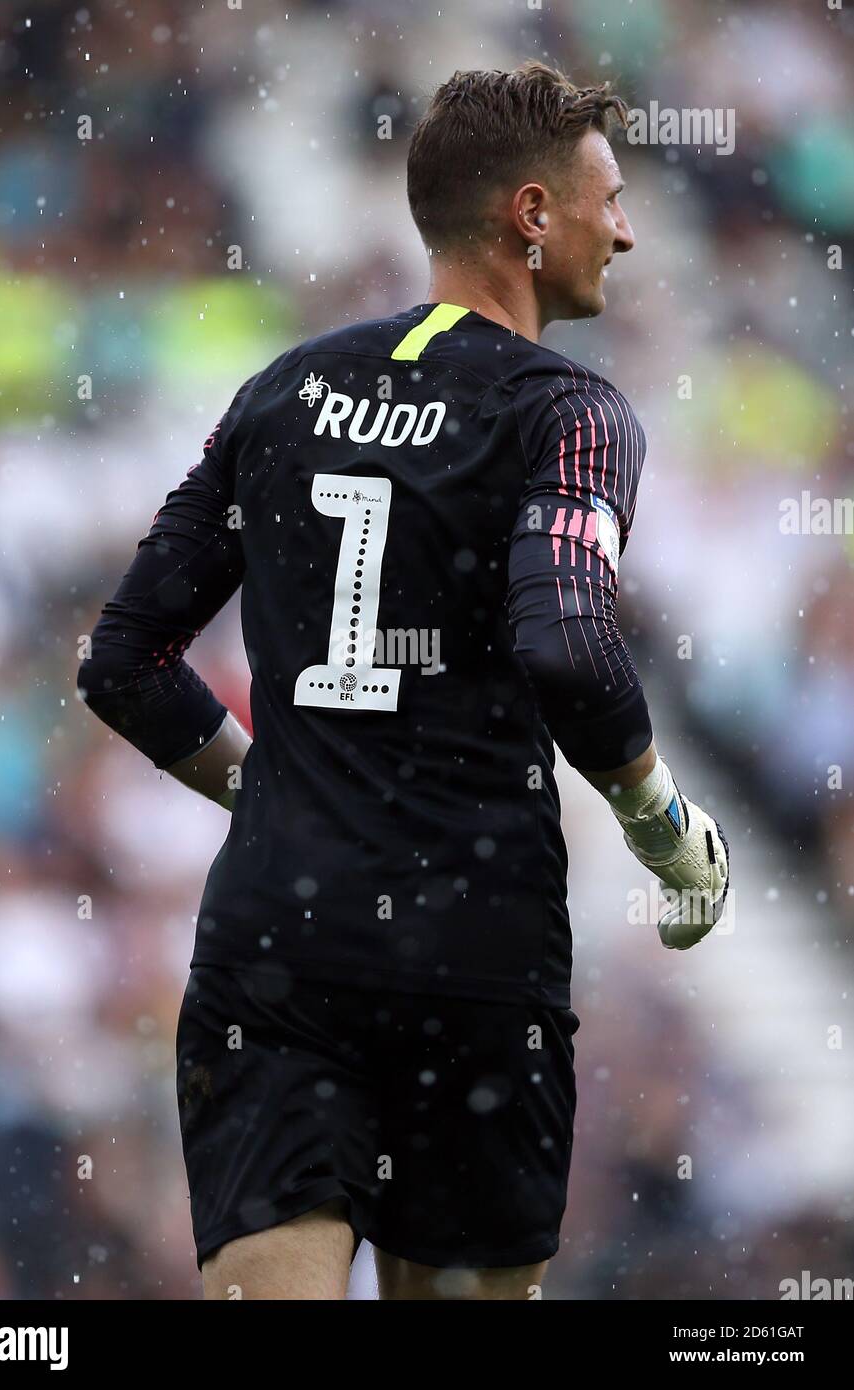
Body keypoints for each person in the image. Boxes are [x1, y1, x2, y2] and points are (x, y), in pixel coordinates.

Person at [77, 62, 729, 1301]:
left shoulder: (283, 390)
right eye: (610, 198)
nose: (630, 228)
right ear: (532, 216)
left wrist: (278, 795)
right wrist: (664, 829)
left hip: (280, 940)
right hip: (473, 951)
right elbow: (568, 642)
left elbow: (121, 661)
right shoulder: (566, 411)